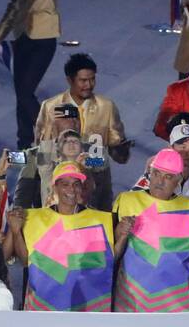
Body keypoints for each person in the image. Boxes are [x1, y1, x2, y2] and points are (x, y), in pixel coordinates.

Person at [5, 163, 115, 312]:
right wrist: (16, 231)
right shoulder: (35, 218)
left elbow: (108, 262)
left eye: (76, 184)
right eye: (65, 184)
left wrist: (121, 237)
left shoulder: (99, 221)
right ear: (54, 187)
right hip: (45, 307)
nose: (71, 189)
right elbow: (27, 261)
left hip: (87, 308)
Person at [33, 53, 131, 210]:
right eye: (83, 80)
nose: (89, 85)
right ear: (70, 80)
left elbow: (109, 154)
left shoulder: (106, 107)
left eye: (92, 79)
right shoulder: (50, 106)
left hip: (94, 188)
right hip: (58, 186)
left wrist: (120, 148)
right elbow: (41, 151)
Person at [112, 149, 189, 313]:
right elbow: (111, 251)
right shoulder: (126, 200)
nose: (160, 181)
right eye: (156, 173)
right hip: (132, 302)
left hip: (175, 305)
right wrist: (120, 232)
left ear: (178, 180)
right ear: (149, 174)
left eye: (168, 177)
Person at [0, 0, 64, 150]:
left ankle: (50, 134)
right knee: (21, 95)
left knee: (25, 93)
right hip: (22, 39)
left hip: (44, 38)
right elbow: (14, 6)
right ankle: (24, 146)